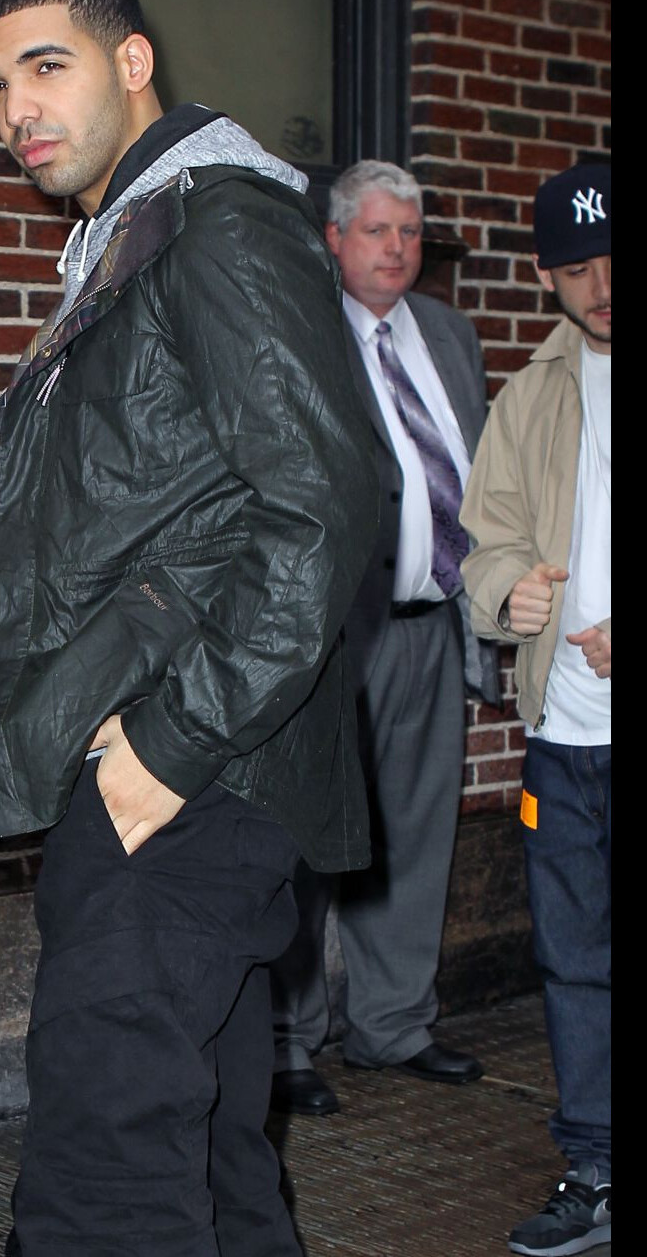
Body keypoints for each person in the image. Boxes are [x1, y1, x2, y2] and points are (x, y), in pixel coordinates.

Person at [0, 0, 378, 1256]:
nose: (14, 107)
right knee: (206, 1153)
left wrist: (169, 749)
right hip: (176, 772)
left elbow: (327, 498)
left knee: (103, 1178)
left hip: (185, 773)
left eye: (45, 65)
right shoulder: (135, 237)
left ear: (133, 62)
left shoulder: (218, 222)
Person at [269, 161, 500, 1117]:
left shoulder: (448, 333)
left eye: (409, 233)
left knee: (415, 831)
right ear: (333, 238)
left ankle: (394, 1022)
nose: (398, 249)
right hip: (336, 636)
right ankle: (288, 1040)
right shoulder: (300, 328)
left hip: (432, 624)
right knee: (315, 833)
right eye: (377, 231)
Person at [459, 161, 610, 1257]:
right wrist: (505, 591)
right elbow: (488, 532)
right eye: (578, 267)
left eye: (615, 261)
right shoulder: (530, 391)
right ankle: (598, 1169)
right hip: (562, 739)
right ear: (546, 275)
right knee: (575, 961)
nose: (601, 284)